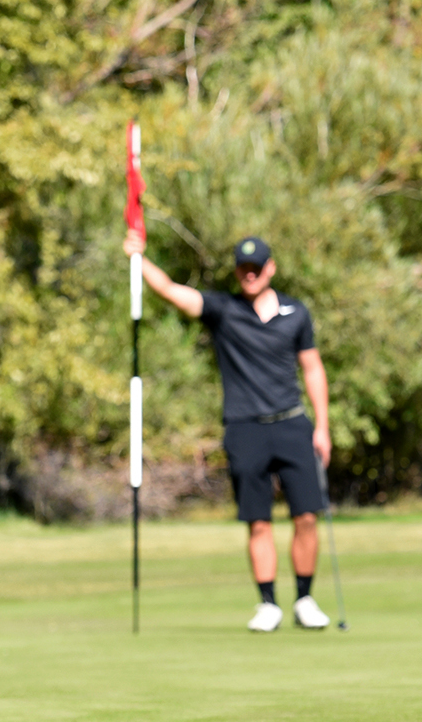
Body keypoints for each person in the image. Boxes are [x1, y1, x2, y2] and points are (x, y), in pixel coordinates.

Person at [126, 232, 332, 632]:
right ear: (237, 271)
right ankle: (268, 603)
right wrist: (139, 259)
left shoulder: (297, 312)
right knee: (258, 521)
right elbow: (171, 292)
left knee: (306, 516)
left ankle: (305, 598)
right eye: (243, 268)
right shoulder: (224, 310)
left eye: (256, 268)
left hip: (292, 423)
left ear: (270, 268)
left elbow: (313, 368)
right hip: (245, 428)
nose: (250, 274)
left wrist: (322, 426)